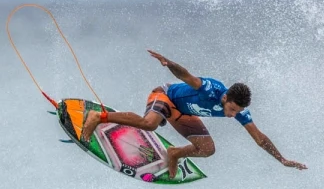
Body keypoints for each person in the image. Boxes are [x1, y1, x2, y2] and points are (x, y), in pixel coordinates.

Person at [80, 50, 307, 178]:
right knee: (149, 123)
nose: (232, 115)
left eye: (236, 112)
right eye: (231, 109)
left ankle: (175, 153)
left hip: (183, 113)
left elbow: (259, 138)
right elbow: (185, 76)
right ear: (226, 98)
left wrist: (282, 160)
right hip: (166, 95)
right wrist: (168, 63)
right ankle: (97, 117)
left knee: (208, 149)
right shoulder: (211, 88)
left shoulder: (238, 111)